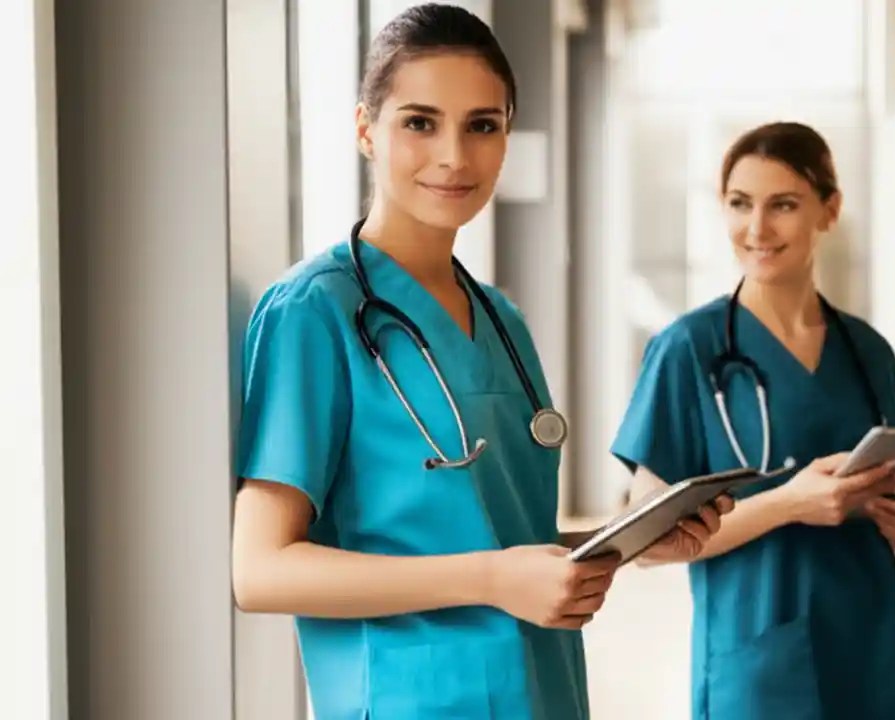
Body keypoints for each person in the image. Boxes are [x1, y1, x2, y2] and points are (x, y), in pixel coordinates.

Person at [230, 5, 729, 719]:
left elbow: (499, 534)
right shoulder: (315, 311)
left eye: (483, 126)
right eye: (420, 122)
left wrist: (622, 543)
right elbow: (261, 570)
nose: (455, 157)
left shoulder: (502, 318)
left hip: (542, 690)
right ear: (366, 129)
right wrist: (495, 578)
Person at [610, 121, 895, 720]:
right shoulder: (690, 349)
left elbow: (892, 510)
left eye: (782, 205)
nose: (756, 229)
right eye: (740, 204)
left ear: (828, 211)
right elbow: (644, 541)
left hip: (876, 644)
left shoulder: (867, 352)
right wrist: (789, 503)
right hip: (760, 659)